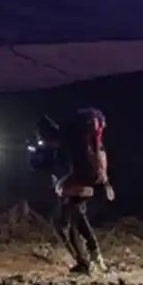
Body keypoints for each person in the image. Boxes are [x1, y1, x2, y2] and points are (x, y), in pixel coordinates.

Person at [38, 109, 113, 274]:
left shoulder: (71, 144)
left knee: (73, 219)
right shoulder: (76, 141)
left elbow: (77, 169)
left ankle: (89, 260)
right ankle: (89, 259)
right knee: (69, 220)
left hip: (81, 181)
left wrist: (62, 185)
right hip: (83, 181)